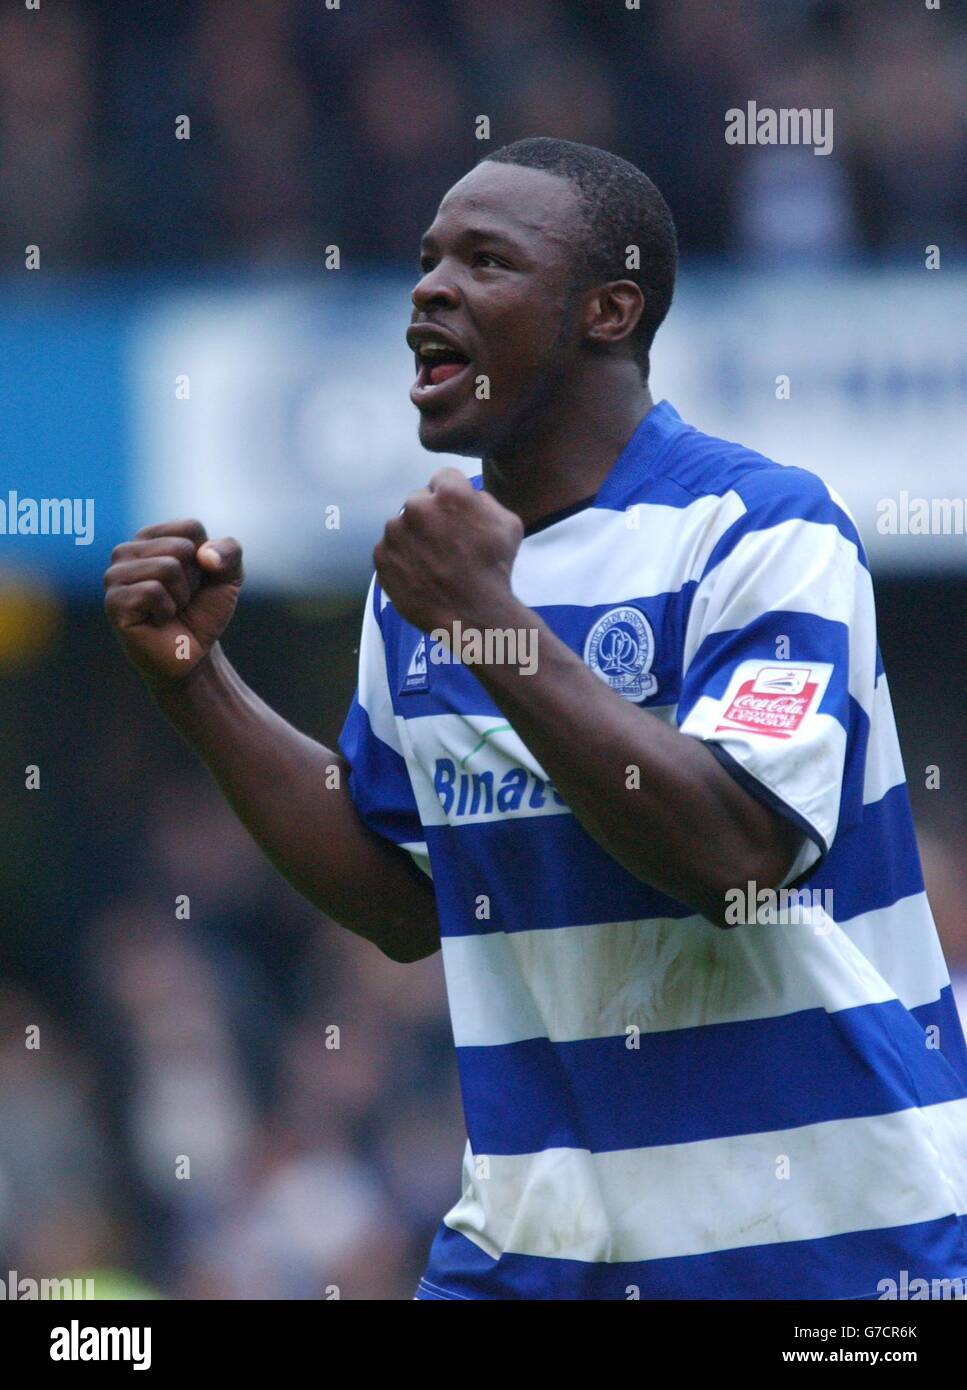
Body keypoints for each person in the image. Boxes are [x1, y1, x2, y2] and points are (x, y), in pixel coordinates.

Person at [104, 138, 967, 1301]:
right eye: (426, 261)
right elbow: (407, 900)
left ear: (608, 309)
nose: (430, 287)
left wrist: (483, 621)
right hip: (533, 1239)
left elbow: (738, 853)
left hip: (811, 1236)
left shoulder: (760, 530)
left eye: (486, 260)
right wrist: (197, 685)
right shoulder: (426, 578)